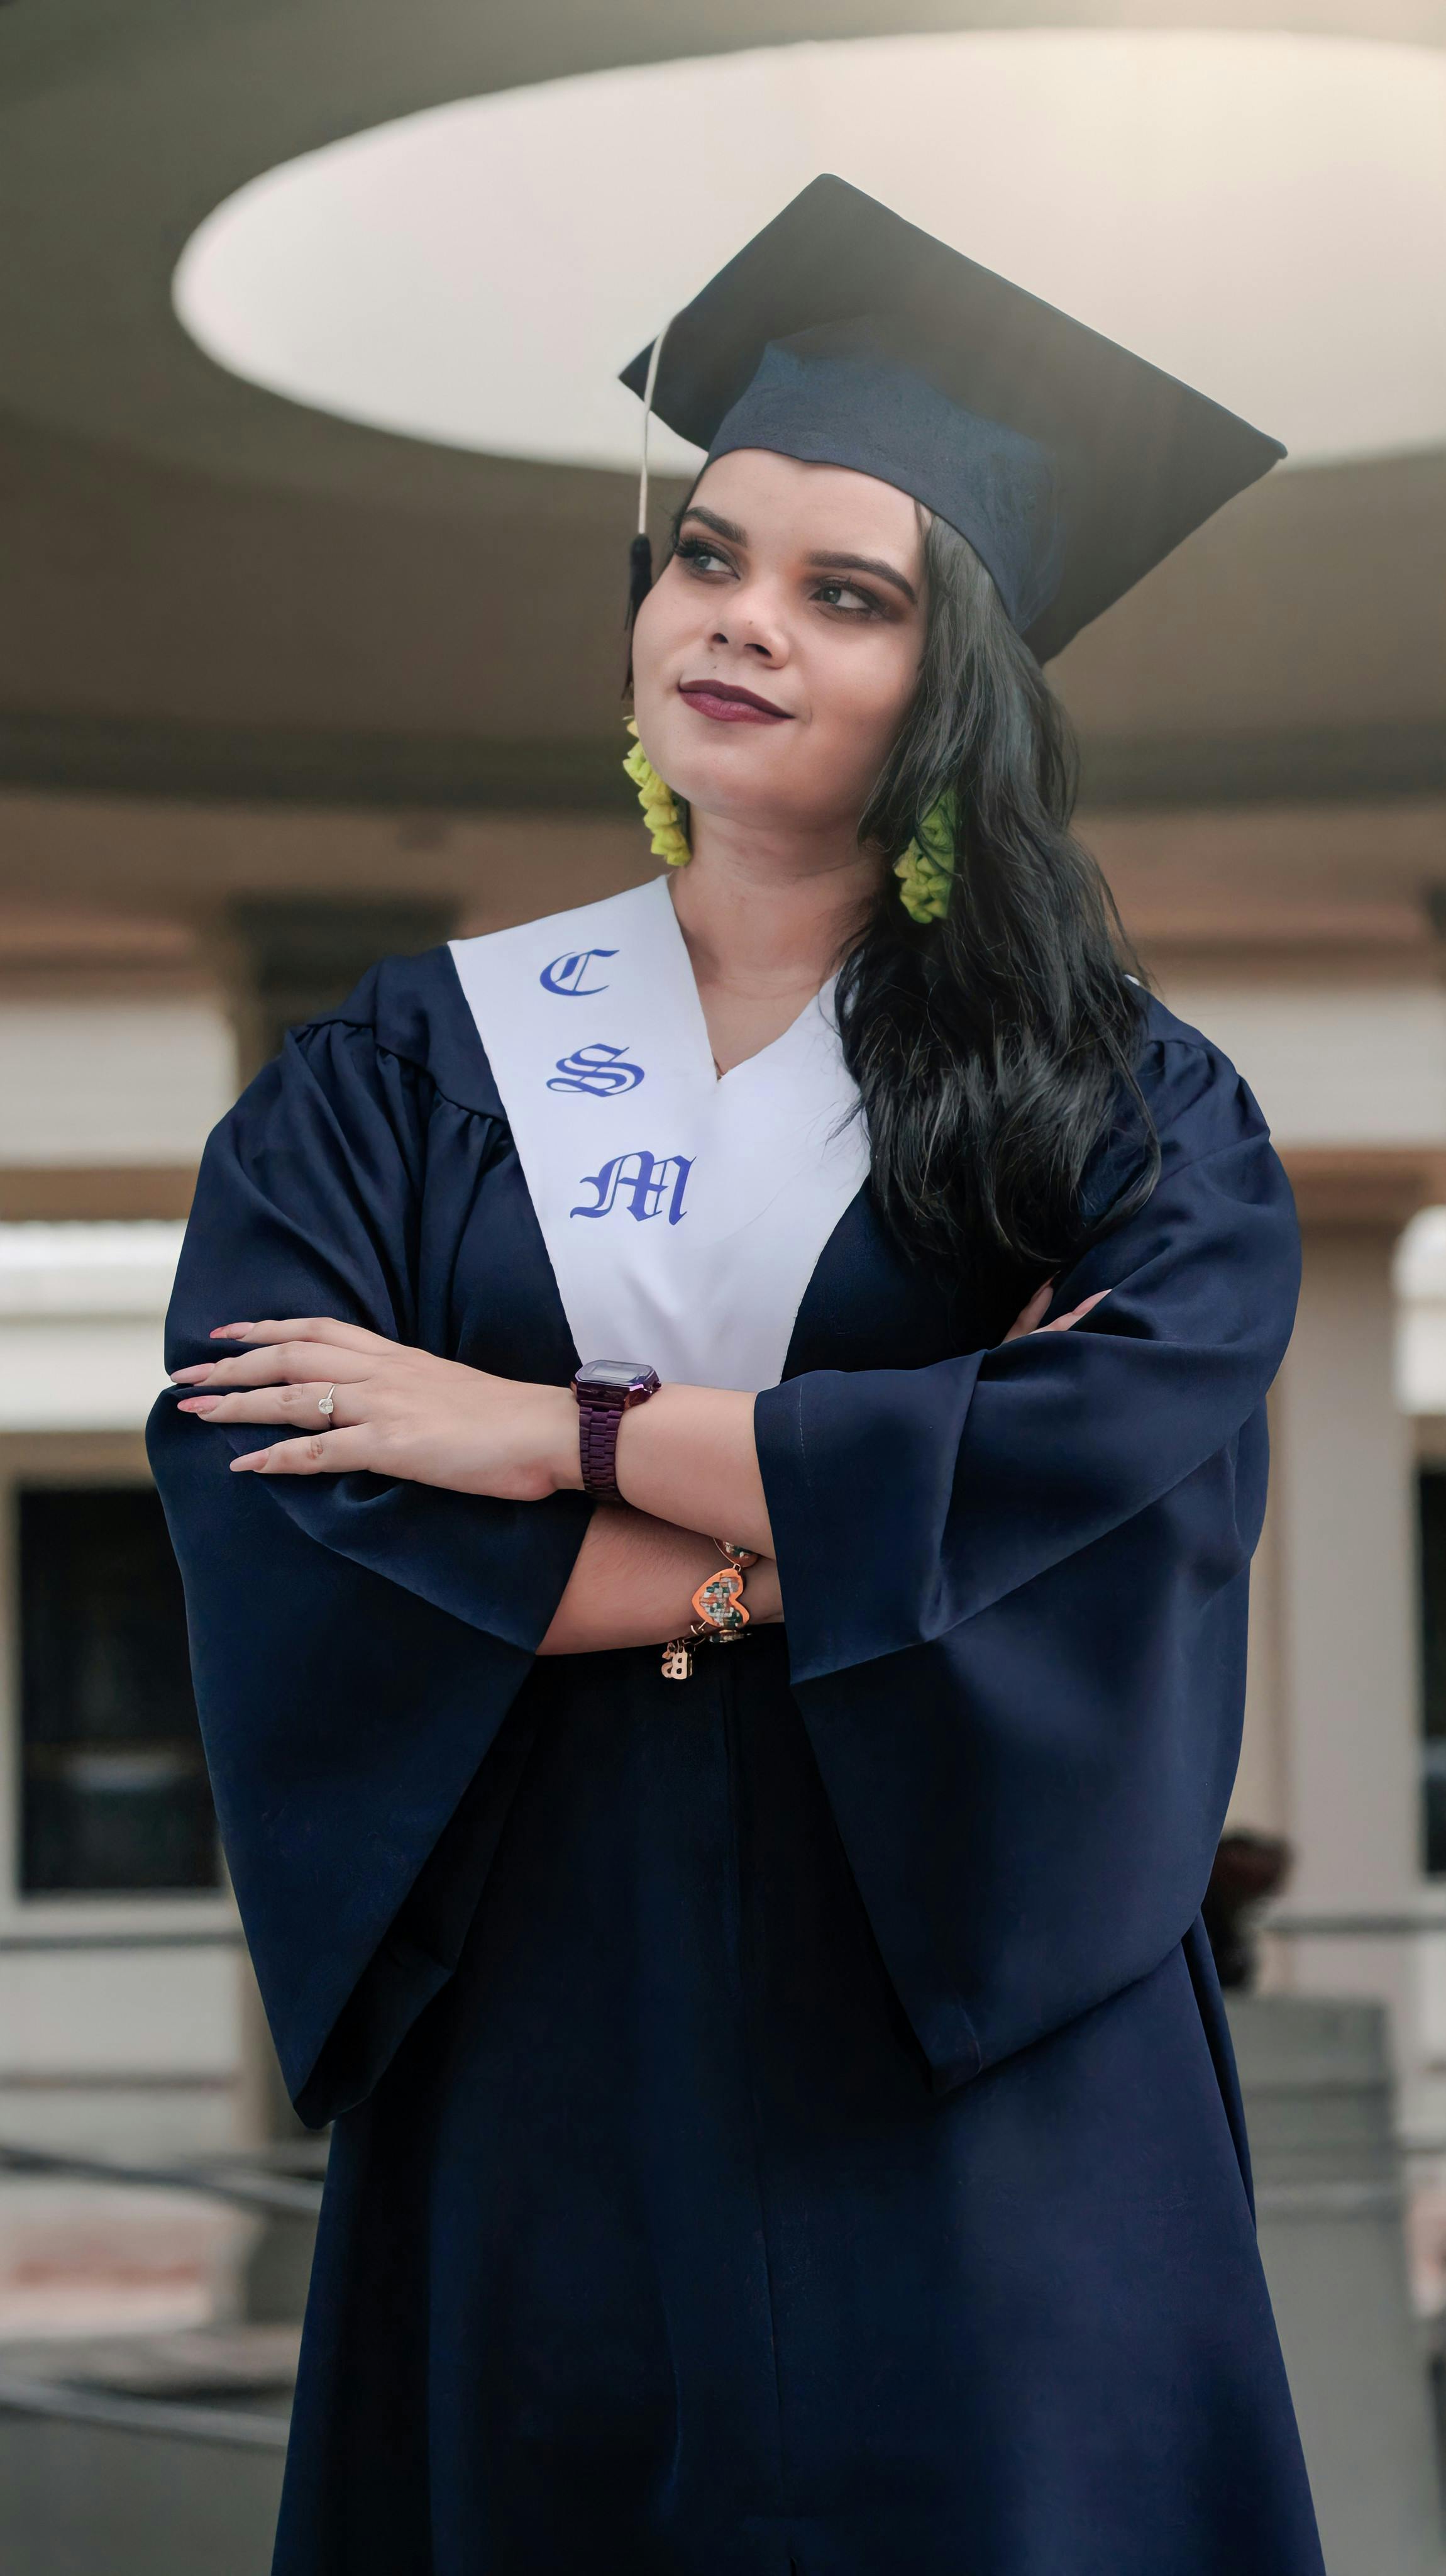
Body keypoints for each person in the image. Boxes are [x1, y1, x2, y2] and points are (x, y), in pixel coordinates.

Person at [149, 177, 1323, 2575]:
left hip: (964, 2004)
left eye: (844, 591)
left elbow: (1114, 1467)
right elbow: (283, 1476)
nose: (741, 624)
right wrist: (823, 1533)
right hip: (546, 1985)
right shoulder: (403, 1069)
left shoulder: (1115, 1106)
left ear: (948, 683)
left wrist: (537, 1431)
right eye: (708, 558)